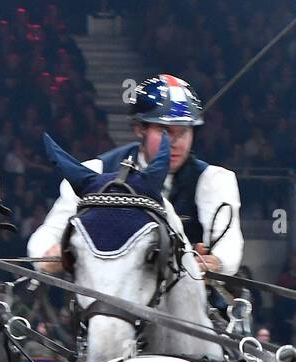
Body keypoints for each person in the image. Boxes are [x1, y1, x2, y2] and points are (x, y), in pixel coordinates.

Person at [29, 74, 243, 287]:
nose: (176, 143)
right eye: (165, 131)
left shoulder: (214, 180)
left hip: (188, 298)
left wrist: (208, 264)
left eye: (184, 131)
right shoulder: (96, 171)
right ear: (139, 129)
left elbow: (228, 249)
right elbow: (49, 234)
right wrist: (51, 255)